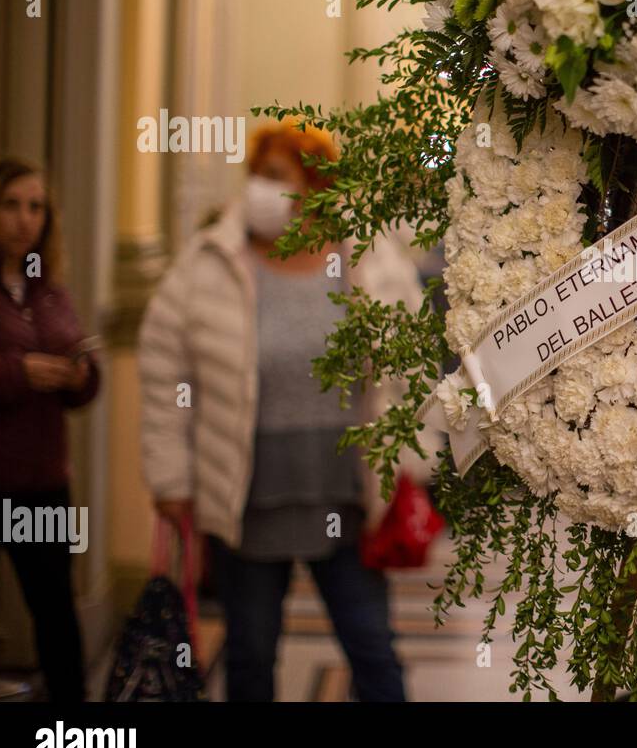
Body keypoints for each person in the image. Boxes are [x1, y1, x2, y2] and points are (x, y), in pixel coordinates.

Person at [138, 121, 425, 702]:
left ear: (315, 185)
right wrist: (171, 477)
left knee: (371, 645)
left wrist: (413, 458)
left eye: (276, 178)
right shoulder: (212, 259)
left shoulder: (365, 256)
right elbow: (164, 371)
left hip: (344, 489)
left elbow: (413, 359)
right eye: (256, 177)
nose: (259, 191)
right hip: (247, 495)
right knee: (249, 654)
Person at [0, 158, 101, 701]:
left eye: (35, 207)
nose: (24, 219)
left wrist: (80, 374)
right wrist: (18, 372)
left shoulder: (48, 288)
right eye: (10, 205)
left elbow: (80, 376)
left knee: (57, 615)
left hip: (42, 482)